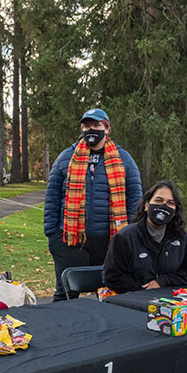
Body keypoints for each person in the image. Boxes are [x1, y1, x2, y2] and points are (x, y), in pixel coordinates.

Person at [43, 107, 143, 301]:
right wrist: (53, 234)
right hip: (71, 241)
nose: (91, 130)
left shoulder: (124, 160)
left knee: (109, 293)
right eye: (87, 126)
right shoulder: (66, 158)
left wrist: (128, 234)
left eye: (96, 125)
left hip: (109, 242)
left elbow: (135, 199)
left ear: (106, 129)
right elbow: (52, 197)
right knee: (65, 294)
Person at [102, 179, 187, 293]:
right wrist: (143, 288)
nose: (164, 206)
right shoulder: (124, 237)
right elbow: (111, 277)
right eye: (159, 200)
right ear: (147, 205)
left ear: (175, 211)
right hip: (132, 300)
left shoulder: (182, 238)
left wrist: (163, 281)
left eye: (170, 203)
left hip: (172, 300)